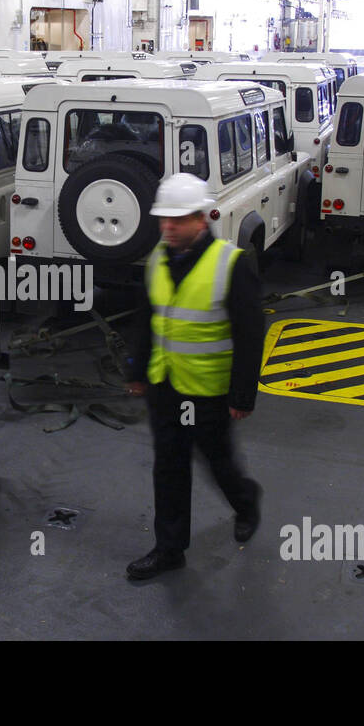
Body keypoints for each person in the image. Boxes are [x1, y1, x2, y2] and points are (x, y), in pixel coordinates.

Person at [123, 173, 264, 581]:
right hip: (165, 386)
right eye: (163, 220)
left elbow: (250, 335)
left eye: (178, 220)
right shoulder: (157, 259)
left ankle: (246, 500)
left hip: (207, 391)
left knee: (217, 461)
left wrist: (242, 394)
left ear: (201, 220)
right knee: (168, 466)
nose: (168, 227)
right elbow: (145, 320)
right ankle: (169, 550)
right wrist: (137, 370)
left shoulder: (231, 264)